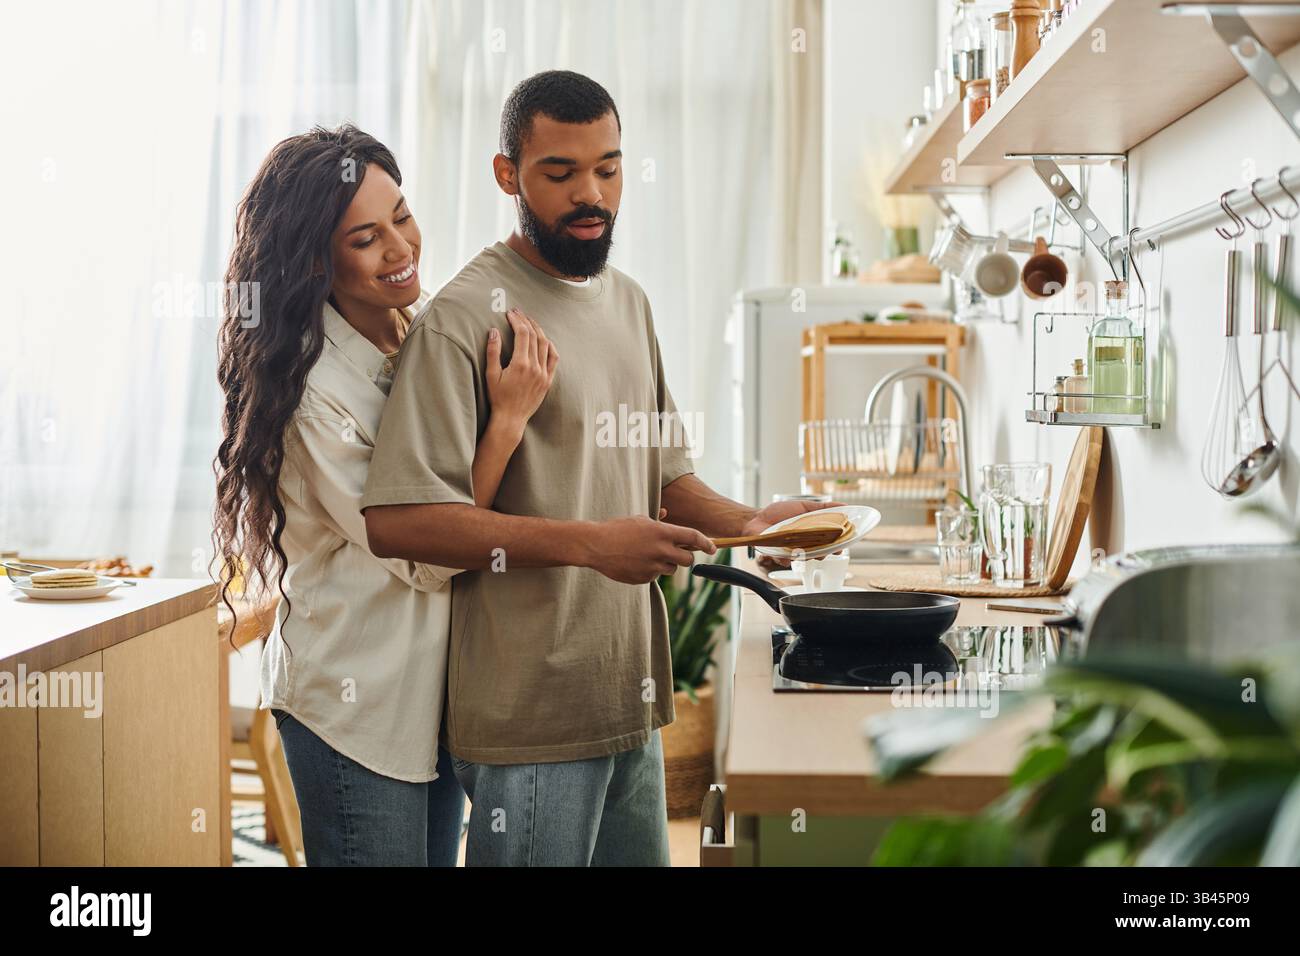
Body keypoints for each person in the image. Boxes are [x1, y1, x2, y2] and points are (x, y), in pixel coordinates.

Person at [361, 71, 829, 866]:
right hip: (530, 716)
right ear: (508, 174)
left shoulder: (628, 302)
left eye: (608, 169)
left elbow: (664, 475)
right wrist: (589, 545)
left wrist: (752, 524)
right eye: (561, 173)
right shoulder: (460, 321)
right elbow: (403, 524)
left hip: (628, 700)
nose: (592, 194)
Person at [212, 125, 556, 865]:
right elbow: (426, 552)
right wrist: (507, 424)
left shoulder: (422, 333)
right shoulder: (312, 397)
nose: (401, 249)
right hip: (355, 704)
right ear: (314, 259)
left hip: (431, 694)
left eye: (401, 216)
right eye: (366, 238)